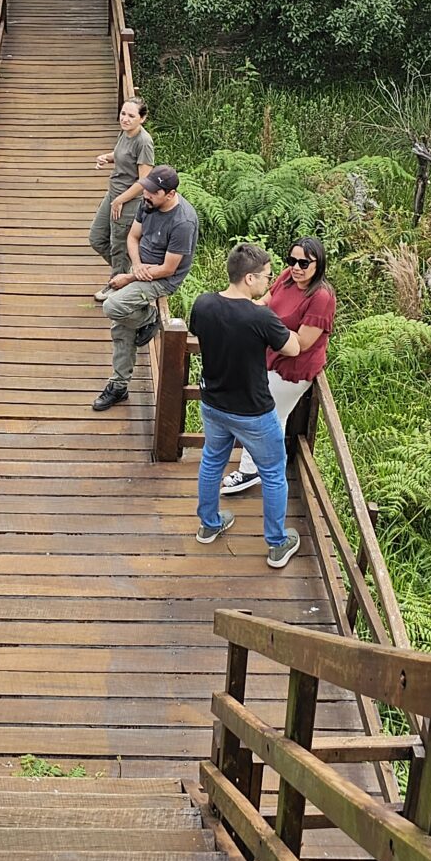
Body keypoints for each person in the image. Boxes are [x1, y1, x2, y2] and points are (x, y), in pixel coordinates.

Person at [189, 242, 303, 569]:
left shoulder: (204, 304)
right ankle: (277, 543)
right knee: (273, 473)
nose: (269, 282)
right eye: (266, 276)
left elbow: (203, 332)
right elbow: (293, 348)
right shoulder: (261, 317)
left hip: (213, 403)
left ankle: (209, 525)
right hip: (253, 410)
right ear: (250, 279)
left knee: (212, 461)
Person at [221, 235, 336, 495]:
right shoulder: (288, 276)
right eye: (292, 260)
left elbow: (304, 343)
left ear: (319, 265)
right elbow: (266, 300)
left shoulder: (321, 297)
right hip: (270, 353)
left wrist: (264, 328)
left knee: (263, 414)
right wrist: (245, 310)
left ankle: (253, 470)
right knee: (272, 415)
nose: (296, 267)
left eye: (304, 263)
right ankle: (267, 466)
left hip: (294, 366)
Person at [93, 165, 199, 413]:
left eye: (152, 191)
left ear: (170, 194)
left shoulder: (183, 222)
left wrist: (130, 278)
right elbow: (133, 237)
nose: (145, 194)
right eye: (146, 189)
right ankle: (119, 385)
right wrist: (137, 267)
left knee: (113, 306)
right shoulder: (149, 203)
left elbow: (169, 269)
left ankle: (150, 317)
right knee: (121, 327)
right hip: (141, 270)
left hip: (161, 280)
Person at [89, 97, 154, 300]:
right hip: (113, 194)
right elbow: (121, 154)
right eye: (123, 114)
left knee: (118, 244)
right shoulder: (125, 133)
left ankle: (116, 285)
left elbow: (144, 181)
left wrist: (120, 200)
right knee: (97, 237)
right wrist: (107, 157)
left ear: (142, 119)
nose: (125, 119)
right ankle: (129, 275)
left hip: (128, 201)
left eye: (131, 116)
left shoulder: (144, 142)